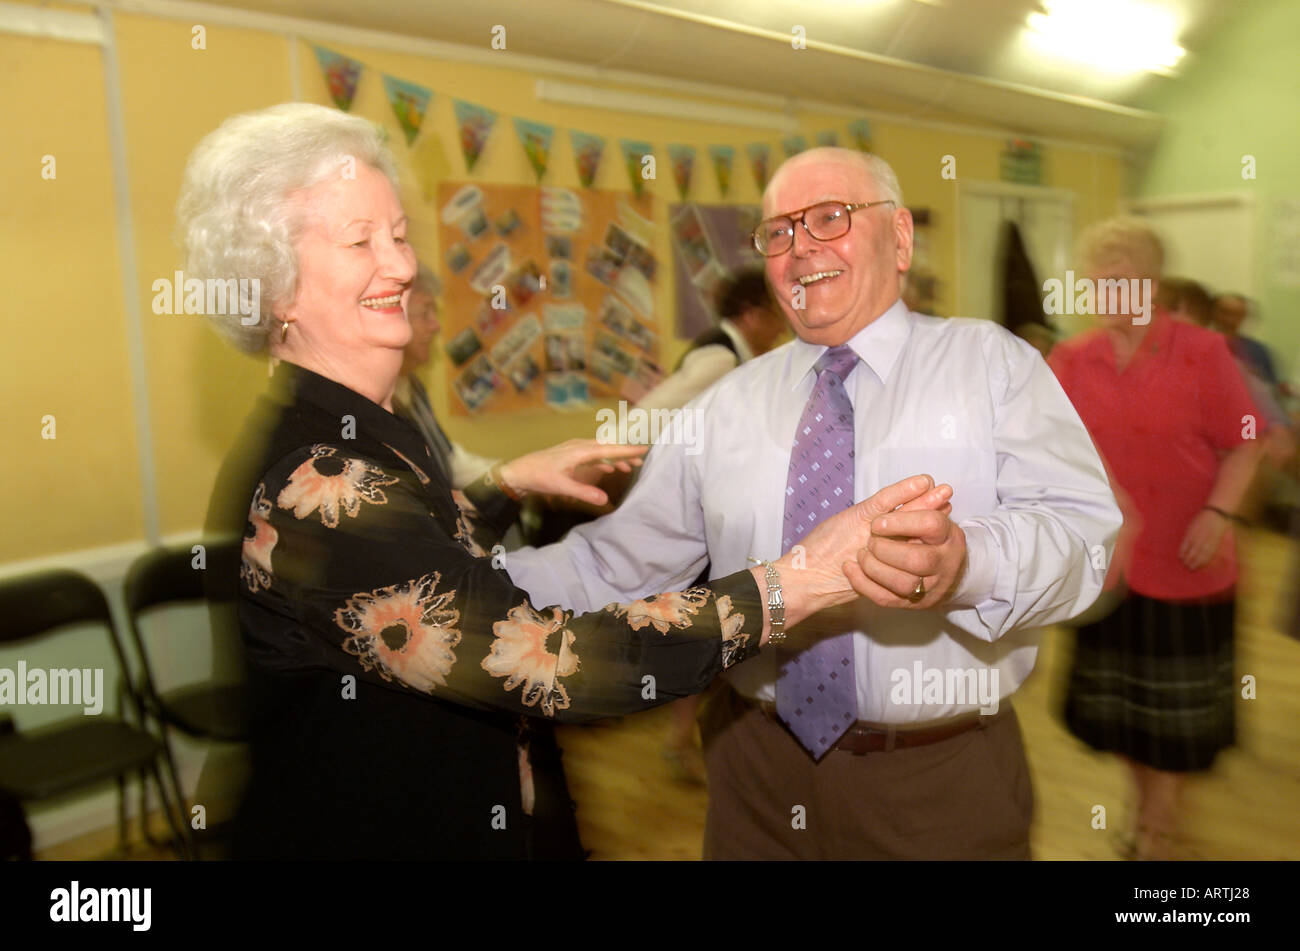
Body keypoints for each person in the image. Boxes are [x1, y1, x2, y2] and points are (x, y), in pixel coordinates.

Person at [182, 105, 950, 859]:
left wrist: (505, 482)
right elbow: (551, 657)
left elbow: (417, 566)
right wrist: (798, 581)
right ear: (276, 287)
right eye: (360, 241)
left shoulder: (361, 432)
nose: (403, 264)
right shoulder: (319, 483)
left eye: (400, 234)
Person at [507, 147, 1123, 860]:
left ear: (899, 238)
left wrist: (969, 561)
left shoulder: (993, 367)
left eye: (829, 218)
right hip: (753, 772)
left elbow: (1086, 537)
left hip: (936, 783)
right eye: (778, 231)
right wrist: (456, 575)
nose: (800, 247)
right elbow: (617, 563)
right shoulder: (727, 402)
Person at [1049, 218, 1265, 860]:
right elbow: (1058, 450)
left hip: (1188, 562)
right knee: (1120, 714)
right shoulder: (1072, 360)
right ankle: (1143, 802)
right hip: (1111, 568)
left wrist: (1218, 513)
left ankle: (1158, 826)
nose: (1103, 293)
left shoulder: (1202, 352)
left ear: (1149, 282)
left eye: (1118, 280)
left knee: (1173, 724)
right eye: (1095, 281)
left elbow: (1246, 442)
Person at [637, 269, 786, 783]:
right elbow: (646, 415)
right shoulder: (720, 356)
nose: (782, 325)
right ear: (752, 314)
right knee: (710, 628)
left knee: (718, 627)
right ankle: (685, 742)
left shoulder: (738, 356)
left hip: (719, 510)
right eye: (775, 313)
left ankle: (690, 740)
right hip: (699, 514)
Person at [392, 264, 498, 488]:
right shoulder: (377, 401)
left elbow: (449, 463)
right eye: (424, 313)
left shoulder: (412, 385)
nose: (436, 326)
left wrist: (524, 474)